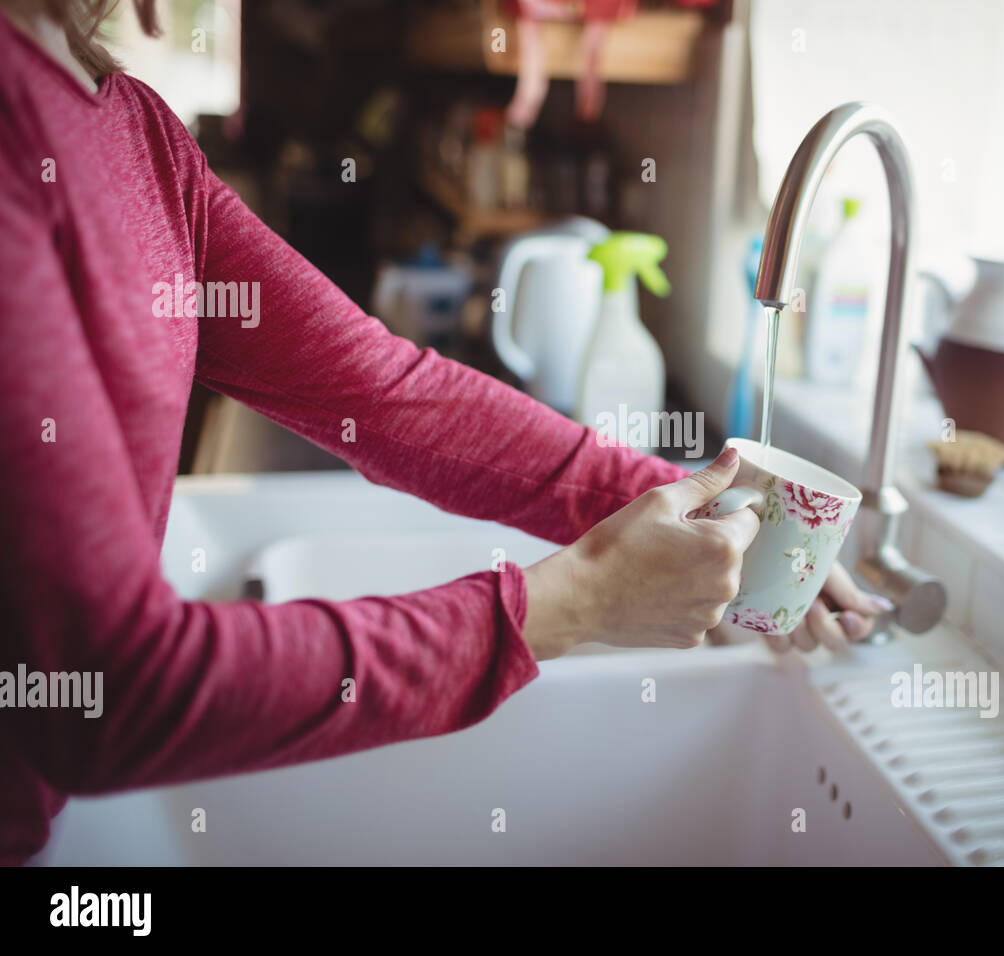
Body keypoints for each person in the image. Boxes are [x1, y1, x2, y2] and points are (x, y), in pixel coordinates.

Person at [0, 0, 887, 865]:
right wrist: (576, 601)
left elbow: (384, 394)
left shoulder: (132, 129)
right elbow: (107, 694)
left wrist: (698, 511)